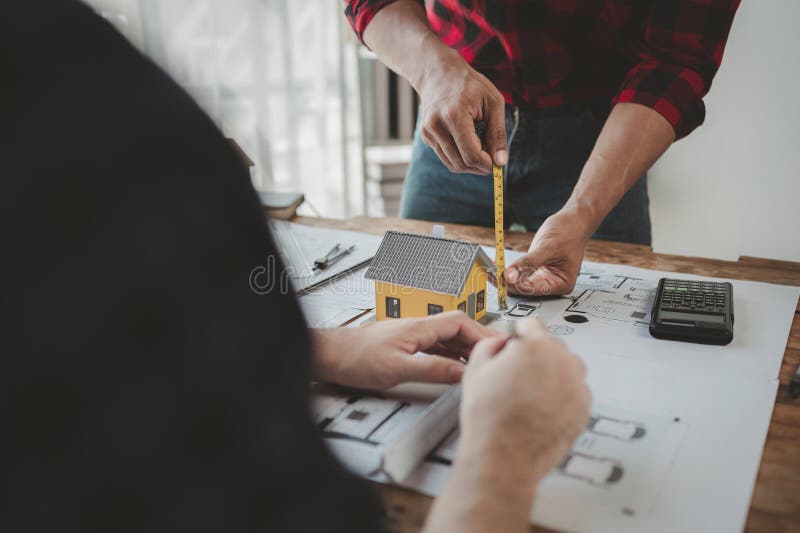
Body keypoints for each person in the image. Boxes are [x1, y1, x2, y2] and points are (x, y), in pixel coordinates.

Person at [3, 2, 589, 532]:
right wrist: (504, 458)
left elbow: (97, 350)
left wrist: (321, 350)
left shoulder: (53, 80)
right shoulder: (51, 87)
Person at [344, 0, 740, 296]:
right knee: (416, 299)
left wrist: (582, 212)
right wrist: (433, 70)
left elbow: (675, 60)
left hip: (602, 132)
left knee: (608, 332)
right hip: (457, 110)